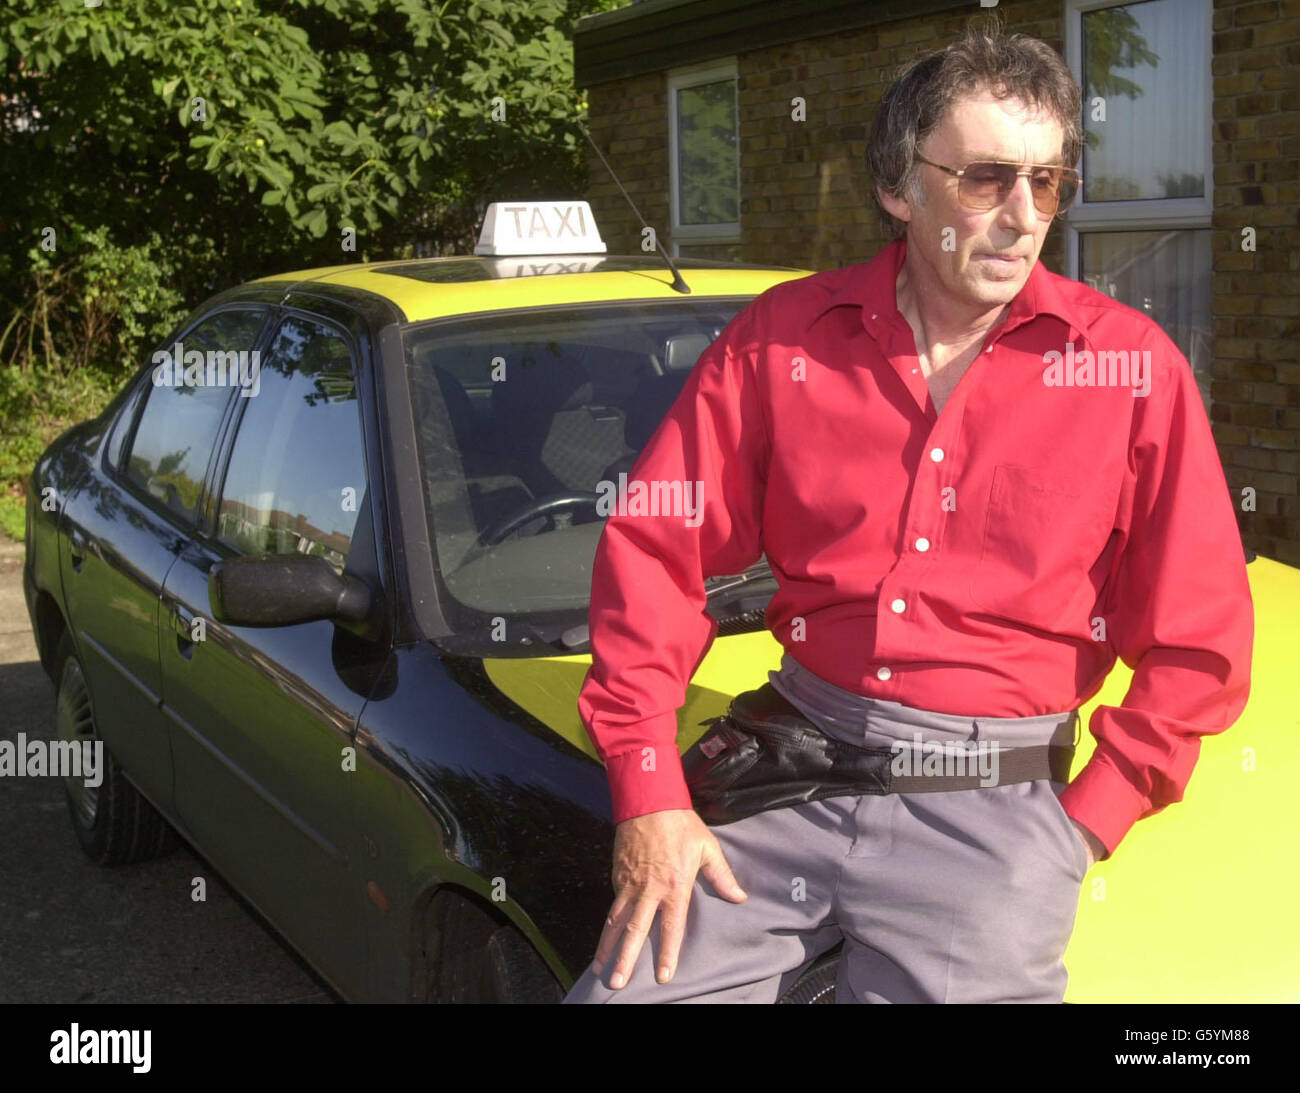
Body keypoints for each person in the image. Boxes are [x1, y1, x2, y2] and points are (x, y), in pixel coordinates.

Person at [562, 21, 1253, 1004]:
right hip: (787, 771)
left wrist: (1081, 822)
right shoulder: (781, 341)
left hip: (992, 814)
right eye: (985, 178)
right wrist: (648, 793)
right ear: (897, 187)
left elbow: (1200, 641)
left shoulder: (1129, 370)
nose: (1020, 215)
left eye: (1046, 181)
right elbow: (651, 547)